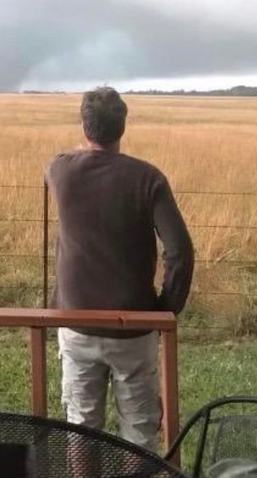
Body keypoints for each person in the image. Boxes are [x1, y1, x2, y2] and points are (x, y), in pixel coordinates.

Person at [45, 86, 194, 452]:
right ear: (122, 127)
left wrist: (82, 153)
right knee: (140, 432)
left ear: (84, 126)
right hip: (134, 327)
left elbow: (56, 163)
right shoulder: (148, 178)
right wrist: (164, 310)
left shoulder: (61, 170)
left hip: (76, 323)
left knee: (81, 428)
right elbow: (180, 250)